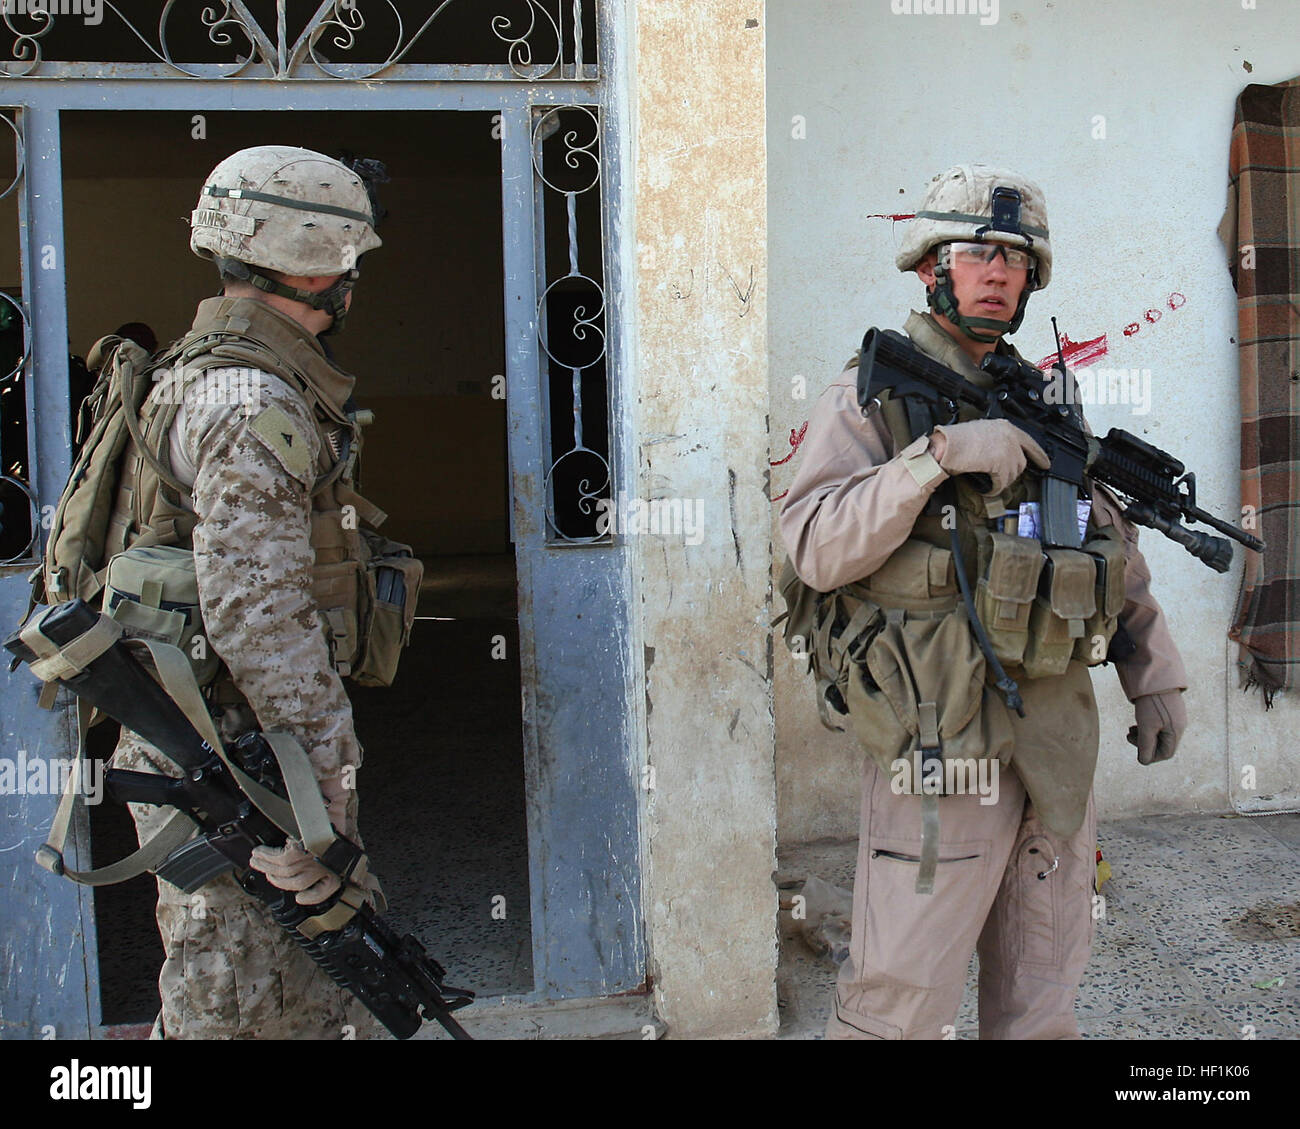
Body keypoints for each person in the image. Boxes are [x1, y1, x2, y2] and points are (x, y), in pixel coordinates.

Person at [779, 163, 1188, 1040]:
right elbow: (813, 544)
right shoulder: (868, 397)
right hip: (940, 743)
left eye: (1014, 259)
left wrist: (1157, 676)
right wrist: (939, 455)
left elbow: (1111, 549)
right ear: (933, 267)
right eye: (976, 254)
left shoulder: (1048, 400)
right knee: (901, 999)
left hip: (1055, 747)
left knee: (1041, 999)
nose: (996, 273)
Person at [107, 145, 405, 1038]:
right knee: (241, 1003)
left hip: (211, 736)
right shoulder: (248, 401)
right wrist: (325, 786)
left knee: (283, 987)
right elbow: (257, 613)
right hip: (238, 757)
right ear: (330, 270)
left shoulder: (194, 367)